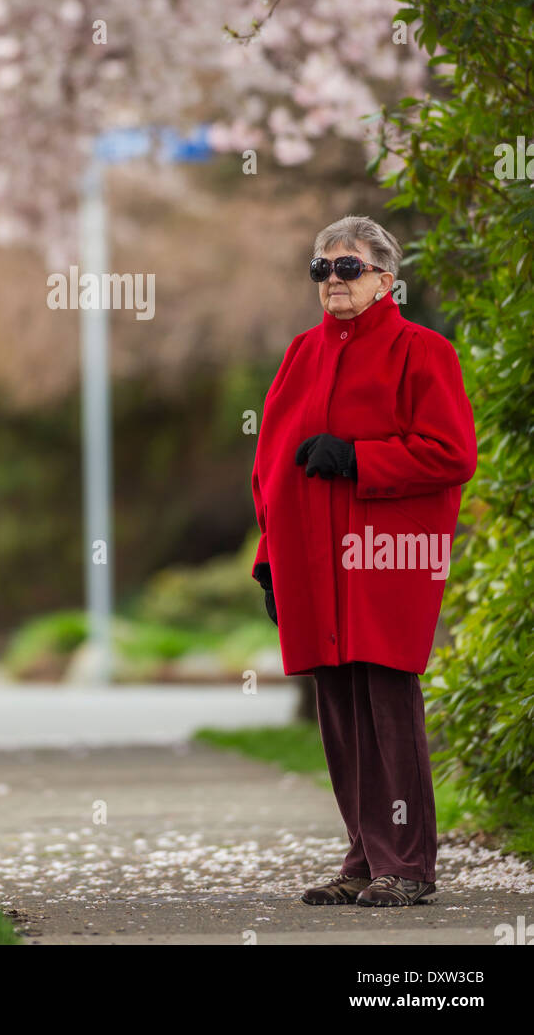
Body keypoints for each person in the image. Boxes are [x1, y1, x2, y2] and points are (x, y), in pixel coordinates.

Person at [251, 215, 477, 907]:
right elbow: (271, 467)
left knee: (385, 701)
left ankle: (406, 863)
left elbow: (451, 453)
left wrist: (358, 459)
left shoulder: (422, 351)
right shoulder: (300, 353)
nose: (333, 282)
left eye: (348, 268)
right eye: (322, 270)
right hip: (314, 561)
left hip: (385, 557)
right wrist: (269, 560)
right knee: (341, 710)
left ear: (386, 277)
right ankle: (362, 858)